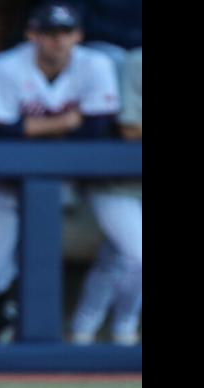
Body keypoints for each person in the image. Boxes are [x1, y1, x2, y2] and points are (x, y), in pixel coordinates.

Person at [0, 3, 118, 343]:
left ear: (78, 35)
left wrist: (30, 127)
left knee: (36, 264)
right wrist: (63, 123)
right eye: (48, 33)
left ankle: (4, 337)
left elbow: (96, 128)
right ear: (32, 34)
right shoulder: (4, 66)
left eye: (65, 33)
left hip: (58, 180)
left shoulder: (95, 64)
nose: (57, 41)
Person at [70, 43, 139, 345]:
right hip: (116, 182)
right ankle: (123, 330)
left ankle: (83, 329)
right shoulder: (137, 61)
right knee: (137, 257)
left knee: (115, 259)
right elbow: (130, 129)